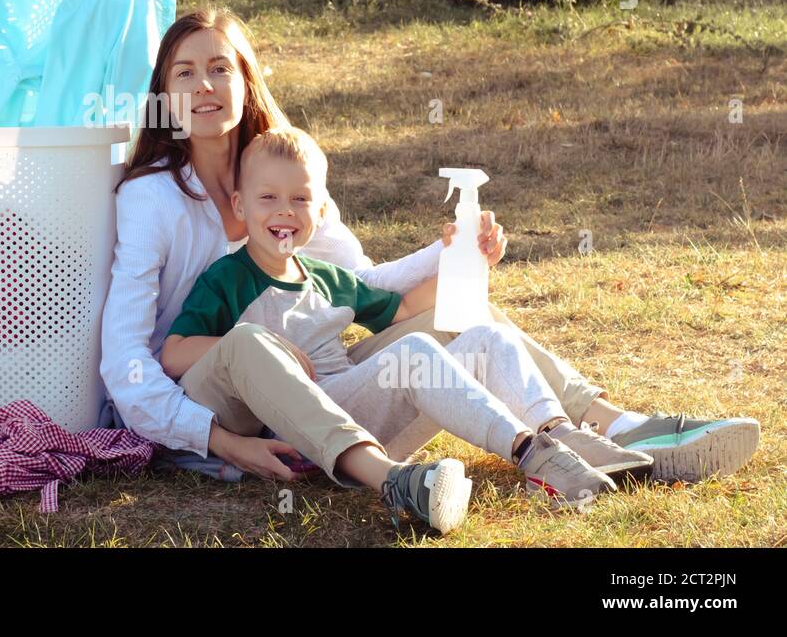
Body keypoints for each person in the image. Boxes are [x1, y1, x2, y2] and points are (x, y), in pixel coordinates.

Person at [97, 7, 760, 517]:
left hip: (311, 381)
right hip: (207, 397)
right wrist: (218, 441)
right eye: (185, 72)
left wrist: (451, 254)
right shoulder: (152, 197)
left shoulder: (282, 172)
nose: (204, 85)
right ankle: (405, 475)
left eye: (220, 68)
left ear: (246, 81)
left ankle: (612, 431)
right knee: (257, 344)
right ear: (163, 92)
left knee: (465, 312)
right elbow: (128, 357)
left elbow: (356, 285)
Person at [159, 127, 655, 531]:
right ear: (240, 206)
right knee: (411, 351)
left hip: (353, 403)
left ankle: (557, 438)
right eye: (267, 197)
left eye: (300, 198)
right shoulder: (227, 278)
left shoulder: (327, 277)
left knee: (485, 334)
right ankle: (527, 453)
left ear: (321, 210)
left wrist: (466, 260)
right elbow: (174, 353)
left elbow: (404, 310)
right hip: (296, 425)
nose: (284, 210)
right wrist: (272, 345)